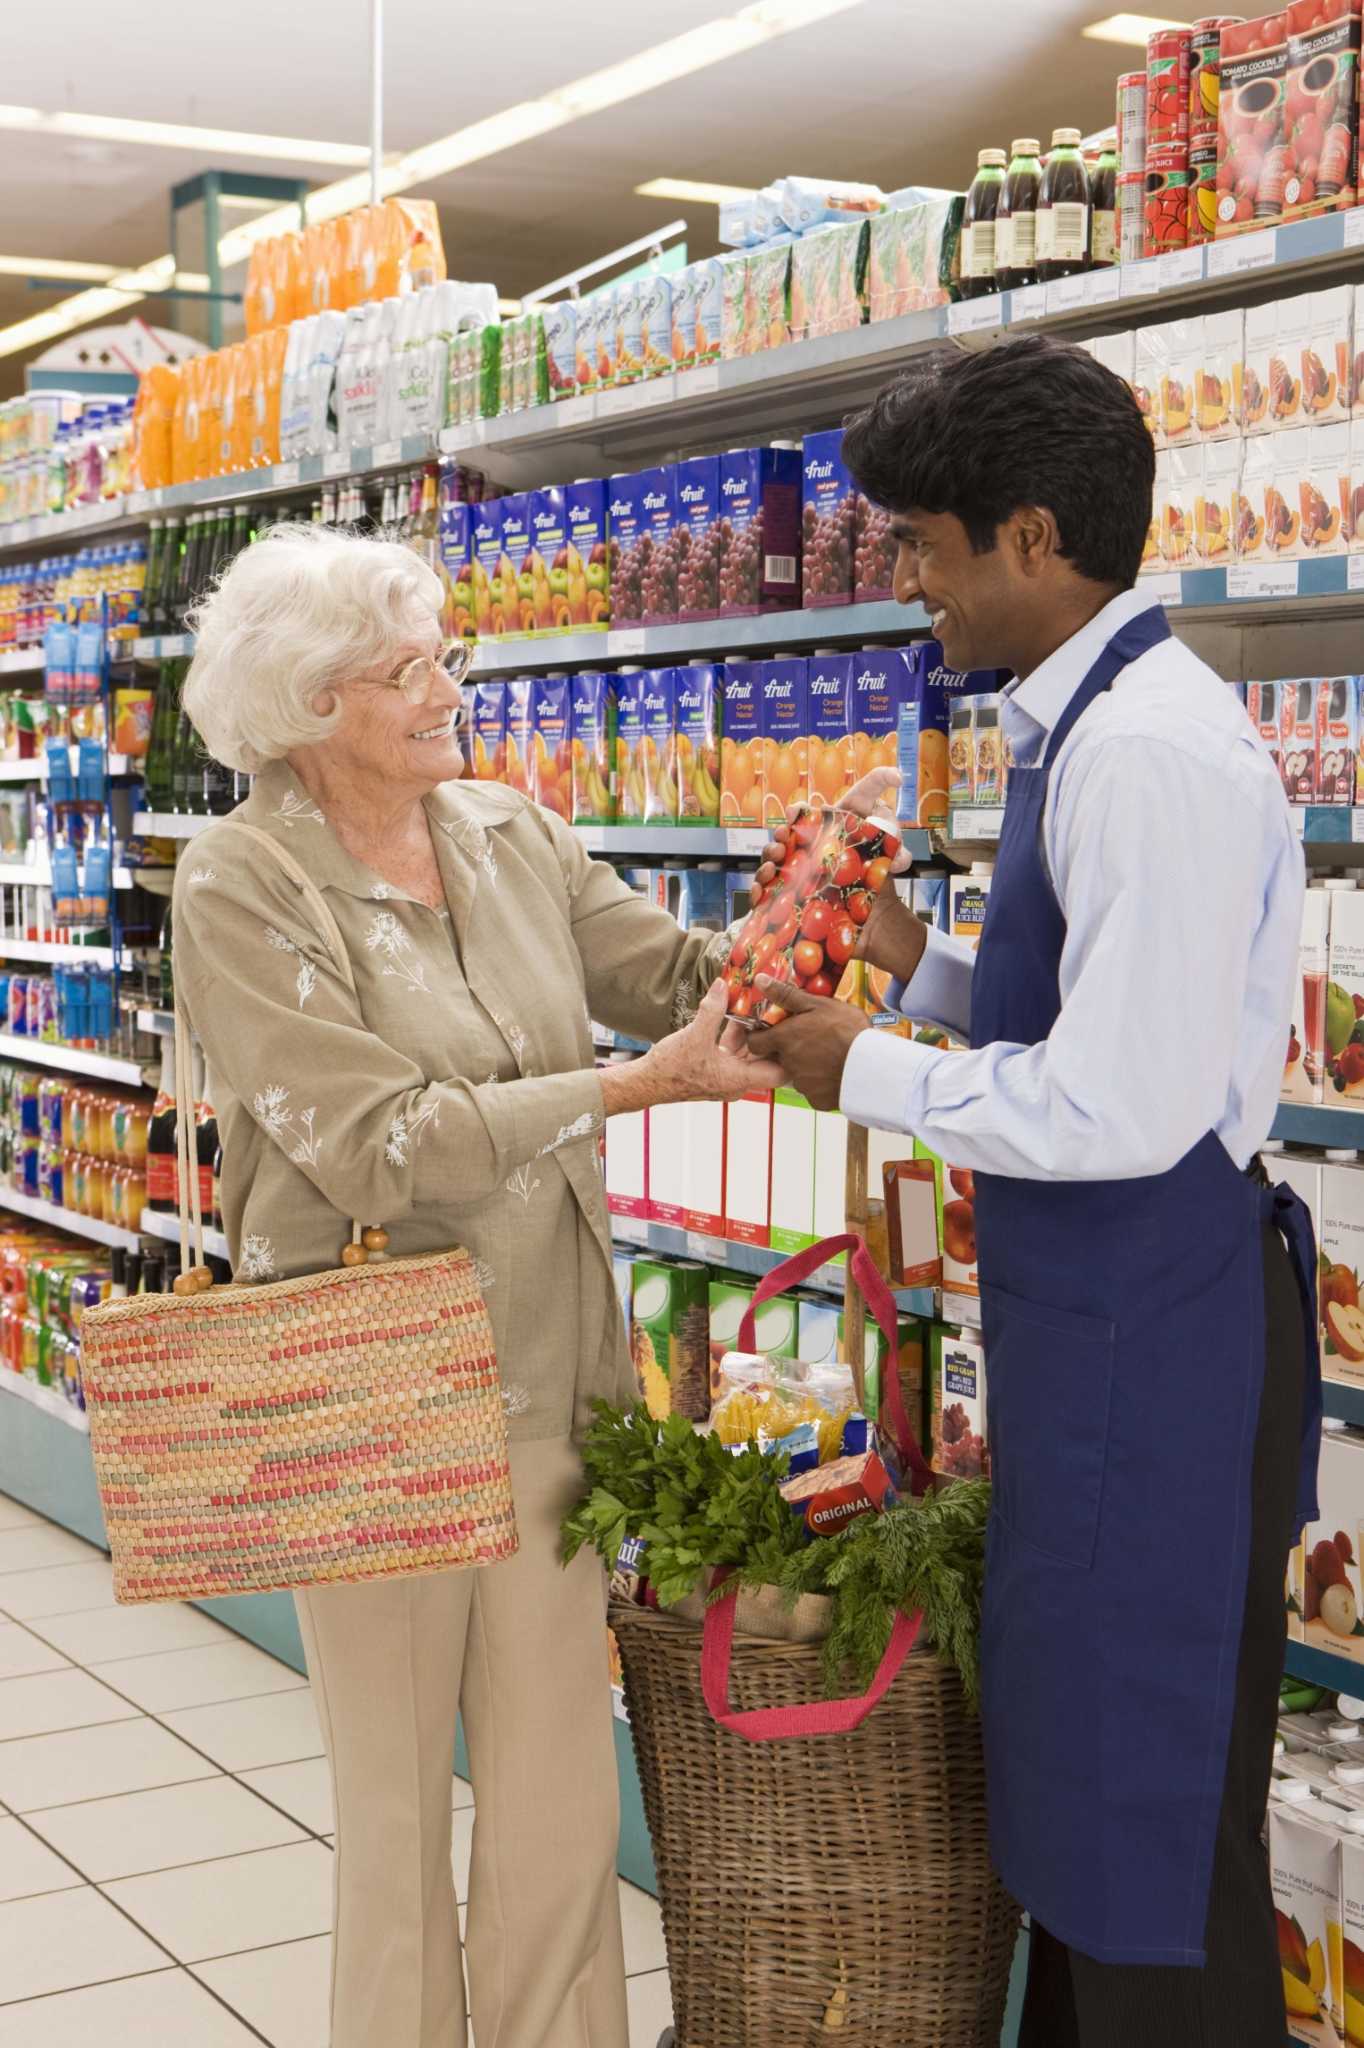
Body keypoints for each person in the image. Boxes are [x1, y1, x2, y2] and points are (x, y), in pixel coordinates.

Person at [751, 335, 1322, 2047]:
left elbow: (1120, 1102)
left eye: (924, 546)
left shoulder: (1144, 753)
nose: (909, 583)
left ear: (1033, 536)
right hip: (1111, 1342)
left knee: (1143, 1815)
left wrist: (863, 1070)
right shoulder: (1073, 731)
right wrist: (913, 969)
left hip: (1164, 1343)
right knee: (1086, 1800)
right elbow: (1084, 1015)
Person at [171, 522, 782, 2048]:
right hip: (369, 1386)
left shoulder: (512, 834)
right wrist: (625, 1092)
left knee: (561, 1810)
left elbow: (683, 978)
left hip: (550, 1374)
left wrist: (817, 917)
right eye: (406, 670)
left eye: (445, 654)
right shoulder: (241, 884)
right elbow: (380, 1146)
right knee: (392, 1822)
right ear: (310, 709)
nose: (449, 687)